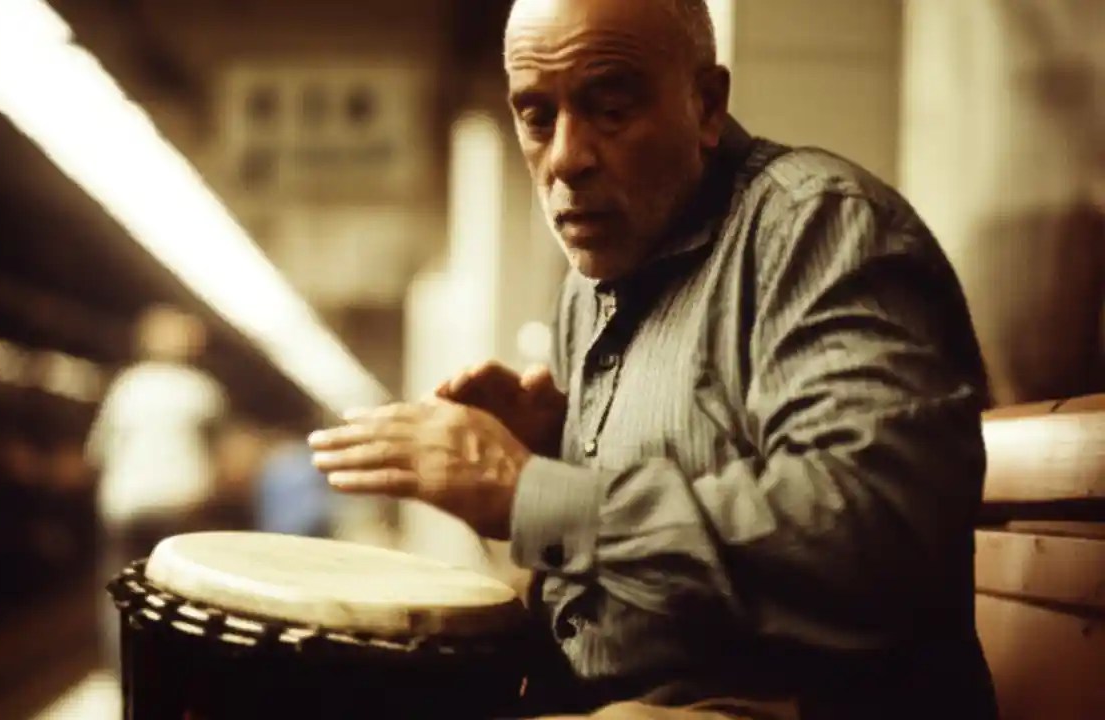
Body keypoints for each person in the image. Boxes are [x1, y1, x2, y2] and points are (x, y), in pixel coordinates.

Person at [309, 0, 997, 717]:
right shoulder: (590, 287)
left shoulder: (817, 228)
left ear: (706, 104)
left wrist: (529, 492)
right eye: (537, 117)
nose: (567, 159)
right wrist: (557, 453)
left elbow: (873, 540)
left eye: (609, 108)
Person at [84, 304, 229, 673]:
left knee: (119, 589)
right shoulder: (202, 389)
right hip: (181, 502)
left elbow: (96, 453)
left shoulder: (126, 386)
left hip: (125, 504)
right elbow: (223, 456)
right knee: (180, 592)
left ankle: (122, 668)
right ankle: (174, 667)